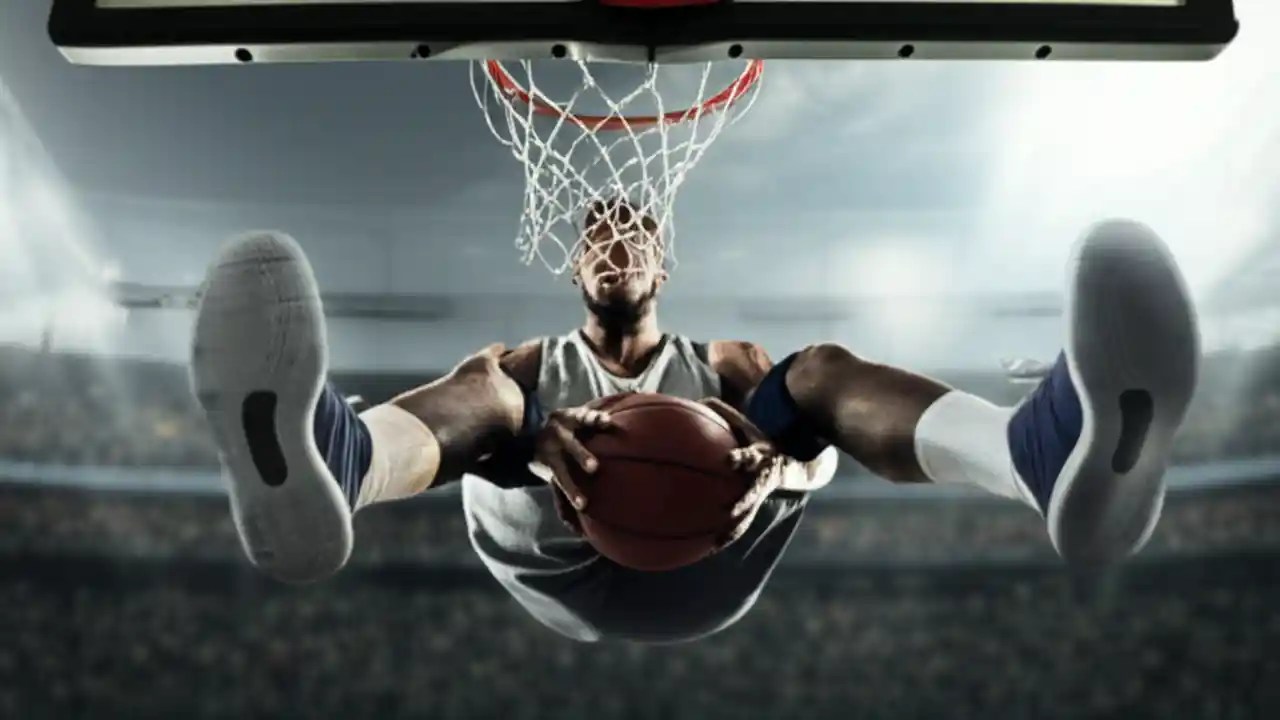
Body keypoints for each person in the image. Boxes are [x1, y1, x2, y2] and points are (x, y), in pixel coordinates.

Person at [190, 198, 1199, 644]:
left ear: (661, 264)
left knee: (816, 376)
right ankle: (337, 462)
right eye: (596, 232)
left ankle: (1036, 457)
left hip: (705, 565)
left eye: (633, 229)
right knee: (494, 395)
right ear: (574, 264)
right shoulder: (529, 365)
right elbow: (499, 414)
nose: (614, 239)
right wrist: (535, 451)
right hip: (554, 564)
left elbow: (816, 453)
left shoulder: (724, 367)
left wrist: (782, 471)